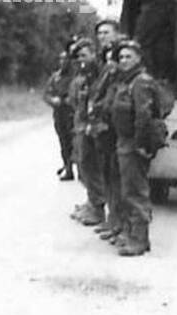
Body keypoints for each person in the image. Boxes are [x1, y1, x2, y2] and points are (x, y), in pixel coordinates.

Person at [109, 40, 165, 256]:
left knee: (135, 192)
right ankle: (133, 234)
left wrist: (141, 145)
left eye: (128, 57)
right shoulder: (127, 81)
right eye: (121, 57)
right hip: (124, 142)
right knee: (128, 190)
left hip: (133, 144)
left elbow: (143, 116)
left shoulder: (140, 82)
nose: (123, 61)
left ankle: (139, 239)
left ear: (138, 58)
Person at [81, 19, 122, 233]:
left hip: (113, 124)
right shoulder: (103, 60)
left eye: (106, 32)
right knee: (107, 173)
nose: (102, 37)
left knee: (117, 177)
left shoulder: (121, 57)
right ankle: (113, 220)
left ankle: (119, 223)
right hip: (102, 123)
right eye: (99, 34)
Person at [67, 39, 107, 223]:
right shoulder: (83, 76)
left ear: (93, 54)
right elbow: (75, 102)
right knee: (83, 165)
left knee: (91, 165)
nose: (81, 60)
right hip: (81, 125)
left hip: (92, 127)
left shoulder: (100, 75)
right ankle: (92, 202)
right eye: (78, 57)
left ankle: (97, 207)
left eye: (84, 55)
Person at [43, 49, 75, 180]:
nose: (63, 62)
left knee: (76, 142)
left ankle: (79, 167)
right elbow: (46, 94)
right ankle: (68, 167)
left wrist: (71, 99)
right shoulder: (56, 77)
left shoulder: (75, 76)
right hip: (59, 113)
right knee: (64, 141)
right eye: (61, 59)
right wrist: (53, 100)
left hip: (72, 112)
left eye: (65, 59)